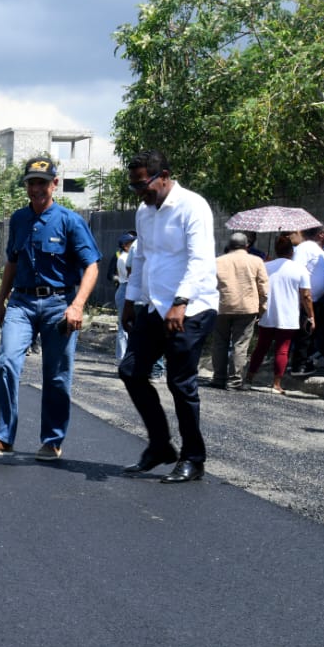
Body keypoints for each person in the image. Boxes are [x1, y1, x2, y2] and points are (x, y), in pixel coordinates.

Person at [0, 156, 100, 461]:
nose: (36, 189)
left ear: (54, 184)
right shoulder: (18, 219)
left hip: (59, 305)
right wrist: (0, 301)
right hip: (22, 302)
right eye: (31, 183)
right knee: (6, 361)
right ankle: (2, 437)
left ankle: (52, 440)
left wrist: (78, 306)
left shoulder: (70, 221)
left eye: (42, 183)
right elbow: (12, 262)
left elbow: (92, 266)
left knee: (56, 375)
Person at [119, 150, 219, 484]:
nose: (139, 192)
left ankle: (193, 458)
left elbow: (201, 259)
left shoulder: (193, 206)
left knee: (180, 383)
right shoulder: (144, 213)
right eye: (133, 186)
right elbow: (142, 259)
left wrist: (180, 301)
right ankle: (160, 445)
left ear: (164, 175)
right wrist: (131, 301)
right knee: (131, 370)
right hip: (153, 306)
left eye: (142, 184)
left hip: (191, 307)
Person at [244, 236, 313, 393]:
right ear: (292, 252)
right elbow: (306, 296)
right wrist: (311, 316)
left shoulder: (266, 266)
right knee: (282, 349)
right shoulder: (300, 269)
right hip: (288, 314)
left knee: (261, 347)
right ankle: (276, 384)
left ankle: (248, 379)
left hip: (268, 312)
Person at [209, 232, 268, 390]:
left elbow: (209, 284)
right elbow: (263, 287)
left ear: (230, 245)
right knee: (240, 344)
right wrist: (262, 308)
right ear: (246, 245)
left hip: (222, 306)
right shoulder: (256, 261)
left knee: (219, 342)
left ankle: (218, 377)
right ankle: (234, 380)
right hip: (247, 307)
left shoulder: (217, 261)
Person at [290, 224, 324, 374]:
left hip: (318, 299)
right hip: (305, 298)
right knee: (304, 333)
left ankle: (306, 361)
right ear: (320, 234)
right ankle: (298, 366)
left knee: (311, 333)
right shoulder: (306, 247)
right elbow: (297, 269)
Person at [109, 231, 137, 365]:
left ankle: (124, 357)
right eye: (132, 243)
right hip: (125, 287)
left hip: (124, 288)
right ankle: (121, 358)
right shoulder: (124, 258)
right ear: (126, 246)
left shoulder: (126, 256)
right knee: (123, 326)